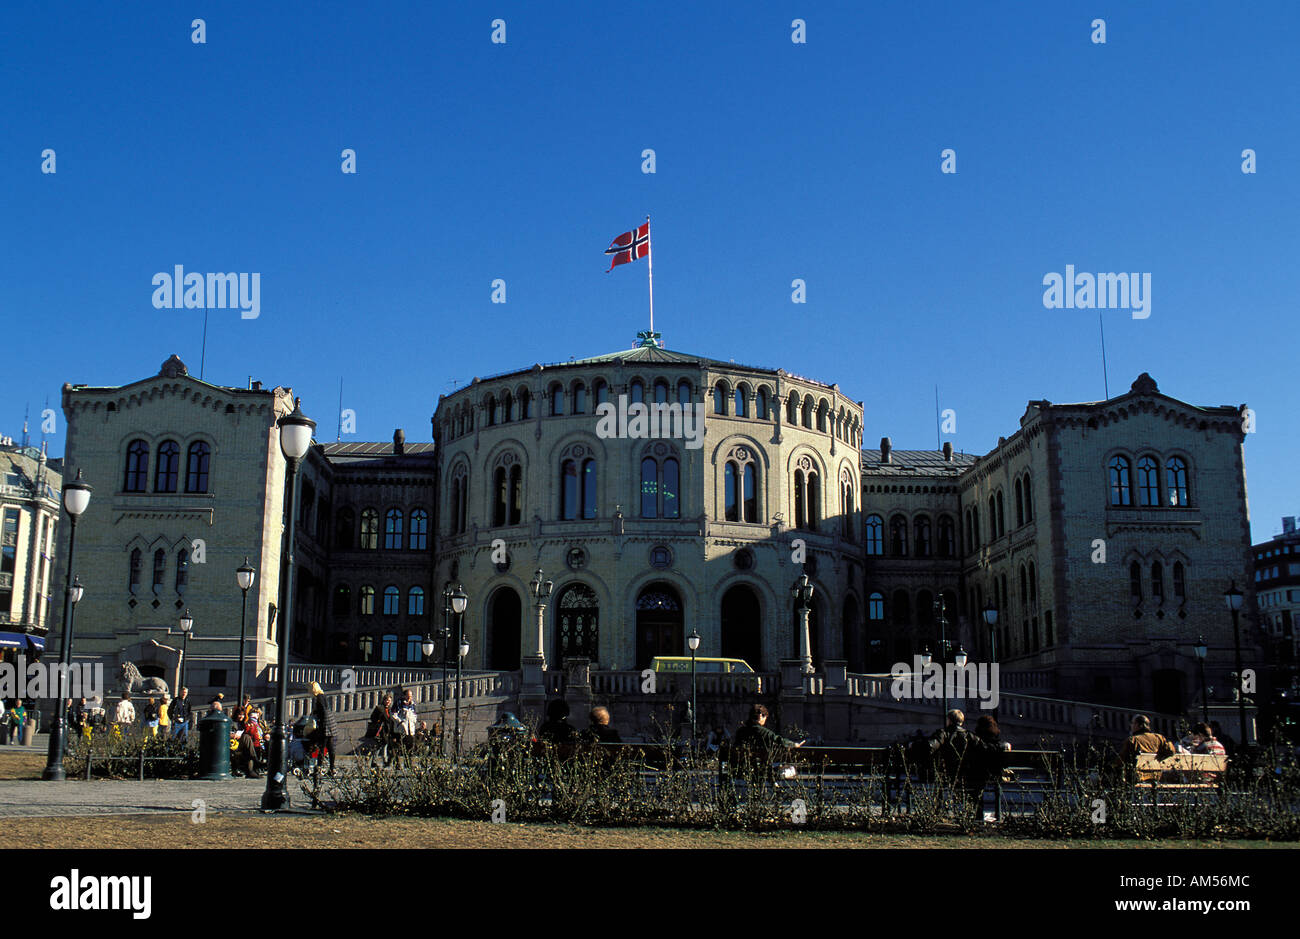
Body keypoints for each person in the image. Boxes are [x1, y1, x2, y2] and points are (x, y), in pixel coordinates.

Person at [928, 709, 993, 808]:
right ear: (961, 722)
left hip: (947, 773)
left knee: (940, 784)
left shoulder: (943, 733)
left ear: (949, 720)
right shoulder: (970, 736)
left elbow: (931, 746)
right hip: (967, 774)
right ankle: (975, 814)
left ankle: (938, 811)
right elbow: (985, 748)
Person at [732, 704, 802, 781]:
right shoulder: (765, 733)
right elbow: (780, 741)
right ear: (760, 716)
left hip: (742, 769)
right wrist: (794, 744)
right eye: (765, 717)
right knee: (791, 769)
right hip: (762, 769)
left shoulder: (740, 732)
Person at [1117, 714, 1177, 782]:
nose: (1131, 726)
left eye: (1132, 723)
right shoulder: (1159, 738)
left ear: (1138, 725)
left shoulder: (1133, 740)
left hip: (1138, 777)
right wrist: (1159, 756)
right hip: (1155, 776)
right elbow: (1171, 751)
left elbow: (1120, 760)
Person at [309, 682, 339, 774]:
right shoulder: (322, 696)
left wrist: (315, 714)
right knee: (330, 747)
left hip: (325, 723)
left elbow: (322, 711)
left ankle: (319, 766)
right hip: (330, 723)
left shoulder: (319, 698)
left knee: (322, 746)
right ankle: (332, 768)